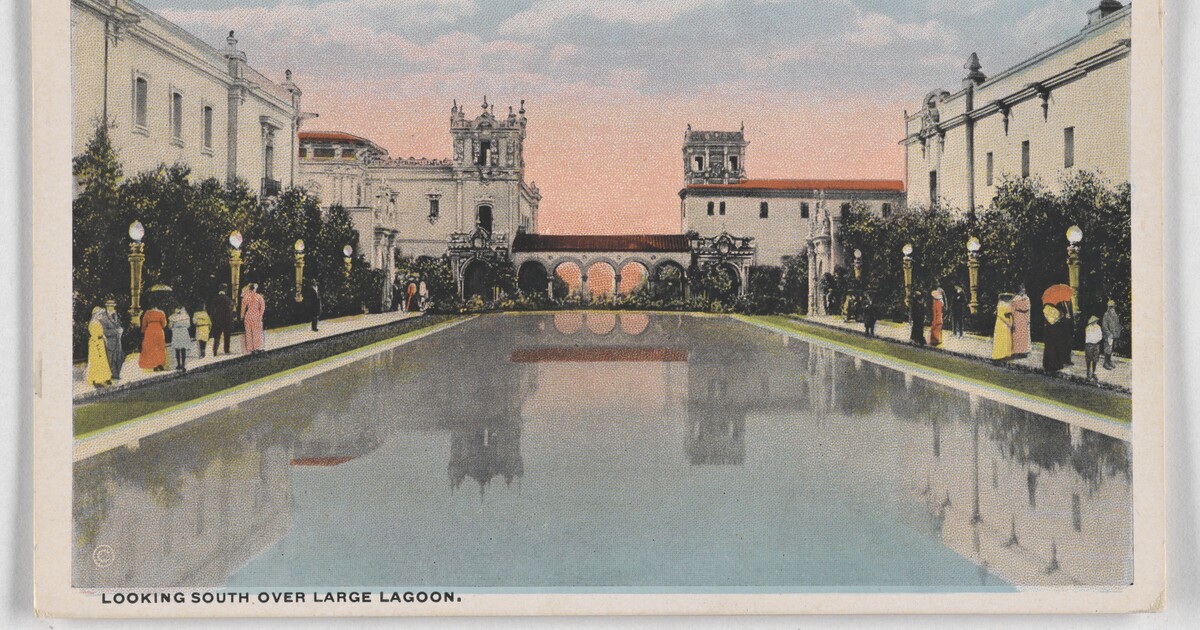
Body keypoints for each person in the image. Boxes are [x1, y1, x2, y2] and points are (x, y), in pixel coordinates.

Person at [98, 299, 125, 381]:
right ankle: (110, 376)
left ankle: (116, 375)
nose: (112, 307)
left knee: (119, 358)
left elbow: (119, 326)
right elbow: (104, 332)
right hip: (109, 342)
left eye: (113, 306)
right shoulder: (103, 317)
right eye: (110, 306)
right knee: (110, 360)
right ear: (106, 306)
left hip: (118, 341)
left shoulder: (115, 315)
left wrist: (121, 330)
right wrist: (117, 331)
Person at [86, 307, 112, 388]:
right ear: (96, 315)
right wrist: (98, 344)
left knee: (103, 360)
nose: (101, 316)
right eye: (100, 314)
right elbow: (94, 335)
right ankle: (94, 379)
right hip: (95, 343)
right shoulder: (93, 323)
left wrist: (104, 339)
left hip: (100, 342)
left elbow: (103, 332)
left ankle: (105, 377)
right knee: (95, 361)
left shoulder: (99, 323)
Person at [138, 304, 168, 371]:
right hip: (158, 330)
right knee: (160, 347)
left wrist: (143, 331)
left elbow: (144, 324)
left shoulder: (147, 313)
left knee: (151, 347)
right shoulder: (161, 313)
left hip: (150, 331)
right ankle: (160, 364)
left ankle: (154, 364)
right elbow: (164, 324)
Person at [208, 284, 235, 356]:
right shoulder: (228, 299)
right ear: (225, 289)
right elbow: (230, 310)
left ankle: (215, 350)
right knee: (227, 335)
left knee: (217, 336)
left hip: (217, 320)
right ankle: (226, 350)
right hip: (226, 319)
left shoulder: (215, 299)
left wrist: (213, 319)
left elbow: (212, 310)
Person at [1042, 302, 1068, 373]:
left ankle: (1052, 365)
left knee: (1053, 346)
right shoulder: (1049, 308)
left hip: (1053, 329)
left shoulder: (1050, 307)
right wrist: (1059, 318)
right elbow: (1052, 320)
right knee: (1052, 347)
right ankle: (1052, 365)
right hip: (1052, 329)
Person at [241, 283, 266, 354]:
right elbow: (263, 307)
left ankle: (250, 348)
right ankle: (257, 347)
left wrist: (242, 316)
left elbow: (243, 308)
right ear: (255, 289)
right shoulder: (258, 297)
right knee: (257, 332)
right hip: (256, 316)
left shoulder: (246, 297)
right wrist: (260, 315)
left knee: (248, 333)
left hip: (248, 316)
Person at [168, 306, 192, 372]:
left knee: (177, 349)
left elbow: (170, 326)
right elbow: (188, 325)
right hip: (184, 331)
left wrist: (173, 327)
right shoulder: (186, 316)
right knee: (183, 348)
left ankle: (178, 364)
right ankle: (183, 365)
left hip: (176, 332)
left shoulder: (172, 317)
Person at [992, 294, 1014, 361]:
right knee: (1000, 338)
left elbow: (1010, 315)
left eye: (1007, 297)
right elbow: (999, 315)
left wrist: (1011, 322)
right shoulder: (1000, 305)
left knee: (1006, 337)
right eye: (1005, 297)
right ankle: (999, 354)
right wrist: (1007, 322)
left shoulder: (1009, 305)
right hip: (1000, 323)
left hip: (1006, 322)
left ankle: (1006, 354)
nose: (1006, 298)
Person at [1011, 285, 1032, 358]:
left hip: (1024, 316)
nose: (1023, 290)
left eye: (1024, 289)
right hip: (1017, 316)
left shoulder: (1027, 298)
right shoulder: (1015, 298)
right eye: (1022, 289)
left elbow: (1028, 309)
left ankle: (1023, 351)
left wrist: (1028, 319)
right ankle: (1017, 351)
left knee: (1024, 334)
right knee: (1017, 334)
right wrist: (1012, 320)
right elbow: (1012, 309)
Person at [1102, 300, 1122, 370]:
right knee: (1107, 348)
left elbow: (1117, 325)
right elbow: (1104, 326)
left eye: (1113, 307)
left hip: (1113, 335)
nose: (1112, 309)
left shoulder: (1115, 315)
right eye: (1110, 307)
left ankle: (1109, 360)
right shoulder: (1106, 315)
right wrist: (1109, 334)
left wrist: (1117, 333)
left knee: (1111, 348)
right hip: (1108, 335)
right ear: (1108, 308)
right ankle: (1105, 362)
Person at [1084, 315, 1103, 381]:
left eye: (1096, 321)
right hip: (1089, 345)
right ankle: (1088, 373)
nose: (1095, 322)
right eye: (1094, 321)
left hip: (1096, 345)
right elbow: (1089, 337)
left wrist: (1096, 341)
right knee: (1089, 359)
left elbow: (1100, 336)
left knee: (1095, 359)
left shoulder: (1098, 327)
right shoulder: (1088, 328)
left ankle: (1094, 373)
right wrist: (1094, 340)